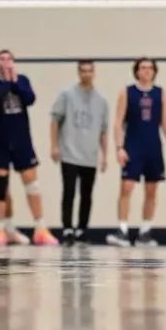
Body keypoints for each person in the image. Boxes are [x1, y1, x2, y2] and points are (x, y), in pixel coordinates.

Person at [107, 58, 166, 247]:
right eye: (143, 67)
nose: (146, 71)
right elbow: (117, 122)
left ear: (154, 71)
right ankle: (122, 230)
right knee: (127, 187)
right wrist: (119, 147)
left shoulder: (159, 93)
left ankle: (145, 232)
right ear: (137, 71)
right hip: (133, 145)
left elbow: (165, 122)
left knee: (152, 190)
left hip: (153, 146)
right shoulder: (127, 92)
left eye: (150, 68)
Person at [0, 51, 53, 247]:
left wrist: (14, 80)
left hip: (22, 139)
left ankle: (40, 229)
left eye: (9, 59)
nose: (6, 62)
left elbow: (29, 99)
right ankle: (0, 230)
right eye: (2, 59)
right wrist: (5, 82)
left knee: (32, 185)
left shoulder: (22, 80)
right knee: (0, 187)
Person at [50, 60, 110, 245]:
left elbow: (104, 130)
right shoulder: (67, 95)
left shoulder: (101, 100)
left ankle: (82, 229)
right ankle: (67, 228)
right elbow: (54, 120)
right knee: (69, 192)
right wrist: (54, 146)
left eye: (89, 71)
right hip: (69, 153)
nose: (86, 74)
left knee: (87, 194)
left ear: (94, 73)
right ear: (78, 73)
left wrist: (105, 155)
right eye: (82, 71)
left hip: (90, 155)